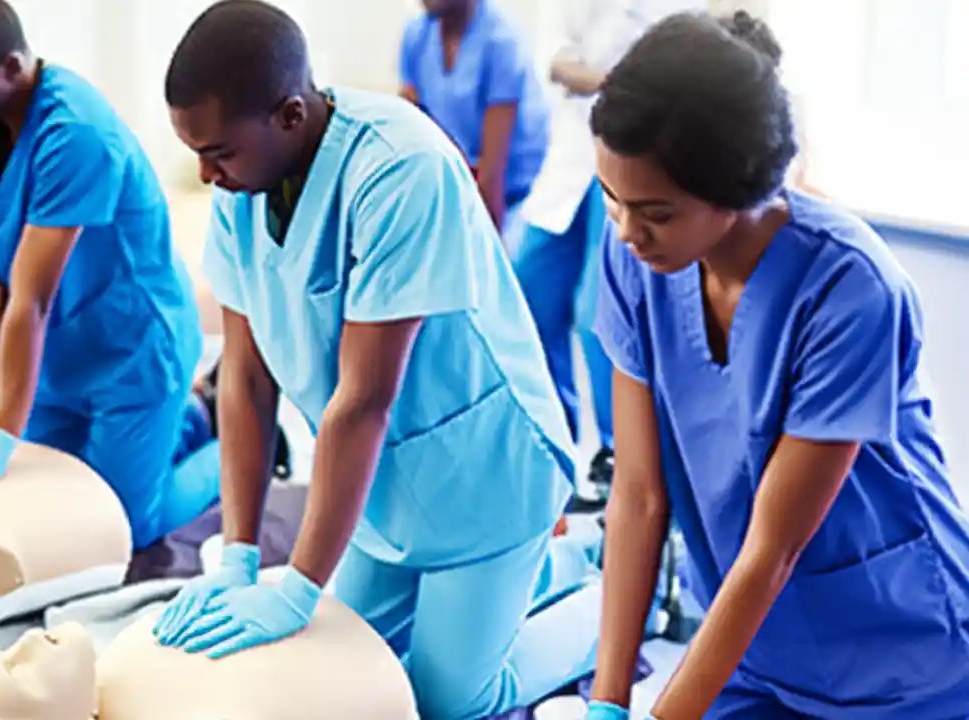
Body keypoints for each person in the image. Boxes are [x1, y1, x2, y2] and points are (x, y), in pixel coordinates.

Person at [149, 3, 583, 718]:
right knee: (341, 670)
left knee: (448, 699)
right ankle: (532, 575)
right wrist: (238, 557)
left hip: (486, 477)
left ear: (290, 115)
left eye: (218, 153)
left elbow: (364, 399)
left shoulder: (401, 170)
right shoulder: (241, 185)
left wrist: (298, 588)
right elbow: (246, 380)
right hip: (380, 493)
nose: (205, 173)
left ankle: (591, 585)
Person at [585, 11, 969, 720]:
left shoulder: (850, 289)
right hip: (752, 646)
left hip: (900, 653)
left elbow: (773, 549)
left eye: (656, 213)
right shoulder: (633, 259)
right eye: (612, 201)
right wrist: (606, 704)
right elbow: (637, 495)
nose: (628, 232)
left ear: (733, 190)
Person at [0, 0, 222, 551]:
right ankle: (181, 422)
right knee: (41, 501)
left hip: (134, 351)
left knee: (120, 526)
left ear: (11, 67)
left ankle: (237, 440)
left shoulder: (76, 132)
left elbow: (29, 300)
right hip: (59, 352)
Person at [516, 0, 705, 510]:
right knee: (529, 300)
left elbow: (675, 73)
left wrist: (599, 78)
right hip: (568, 166)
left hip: (630, 166)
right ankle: (549, 447)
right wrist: (618, 81)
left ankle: (617, 457)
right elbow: (555, 61)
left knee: (597, 314)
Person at [398, 0, 549, 236]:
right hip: (457, 187)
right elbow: (410, 139)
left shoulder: (501, 42)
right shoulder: (417, 35)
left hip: (514, 196)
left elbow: (492, 173)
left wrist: (484, 243)